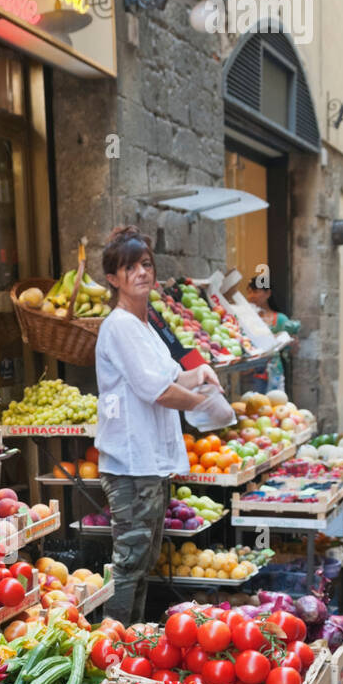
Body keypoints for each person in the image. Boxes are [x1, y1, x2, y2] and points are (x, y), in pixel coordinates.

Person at [96, 226, 222, 625]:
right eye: (129, 267)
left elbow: (171, 379)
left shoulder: (146, 326)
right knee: (130, 563)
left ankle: (130, 644)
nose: (141, 273)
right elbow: (159, 392)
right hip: (130, 466)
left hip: (149, 463)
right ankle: (113, 644)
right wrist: (206, 407)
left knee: (144, 560)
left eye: (146, 264)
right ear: (114, 278)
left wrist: (200, 374)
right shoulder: (118, 326)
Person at [245, 276, 300, 394]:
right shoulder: (245, 320)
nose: (251, 296)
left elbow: (293, 351)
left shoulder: (281, 320)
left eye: (255, 291)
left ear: (267, 293)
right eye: (249, 292)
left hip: (274, 374)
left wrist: (293, 343)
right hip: (250, 374)